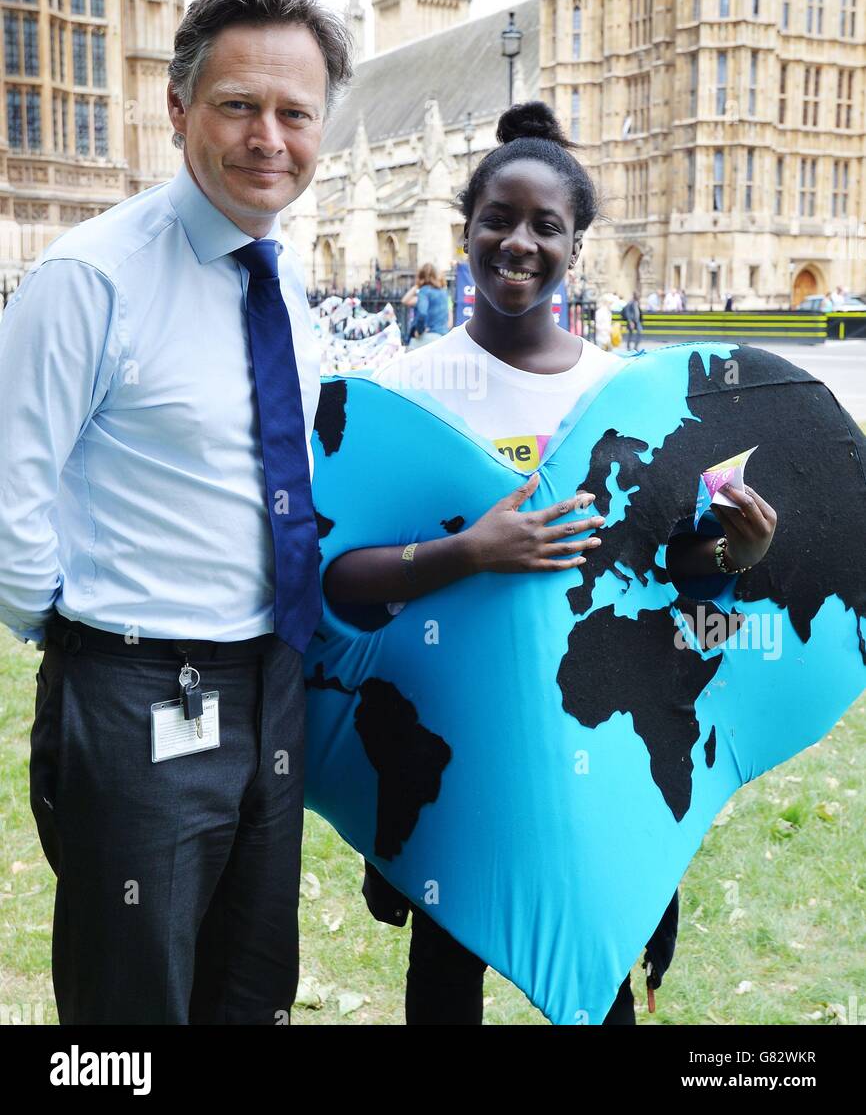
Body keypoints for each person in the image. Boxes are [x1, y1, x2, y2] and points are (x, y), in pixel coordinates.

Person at [322, 101, 778, 1025]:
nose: (518, 243)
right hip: (453, 751)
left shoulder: (624, 390)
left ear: (578, 244)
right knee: (445, 990)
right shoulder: (406, 389)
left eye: (546, 225)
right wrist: (466, 552)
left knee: (600, 985)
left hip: (598, 743)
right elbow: (338, 583)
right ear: (466, 230)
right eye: (498, 219)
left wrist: (733, 549)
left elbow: (663, 568)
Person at [0, 0, 353, 1024]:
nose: (267, 138)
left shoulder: (283, 284)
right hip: (138, 687)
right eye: (238, 105)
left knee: (251, 987)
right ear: (177, 108)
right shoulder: (89, 278)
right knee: (130, 1001)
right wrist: (88, 644)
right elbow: (9, 485)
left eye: (294, 112)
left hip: (270, 679)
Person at [407, 262, 450, 349]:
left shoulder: (424, 291)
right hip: (442, 338)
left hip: (427, 336)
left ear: (420, 275)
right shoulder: (444, 292)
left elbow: (422, 313)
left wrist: (419, 330)